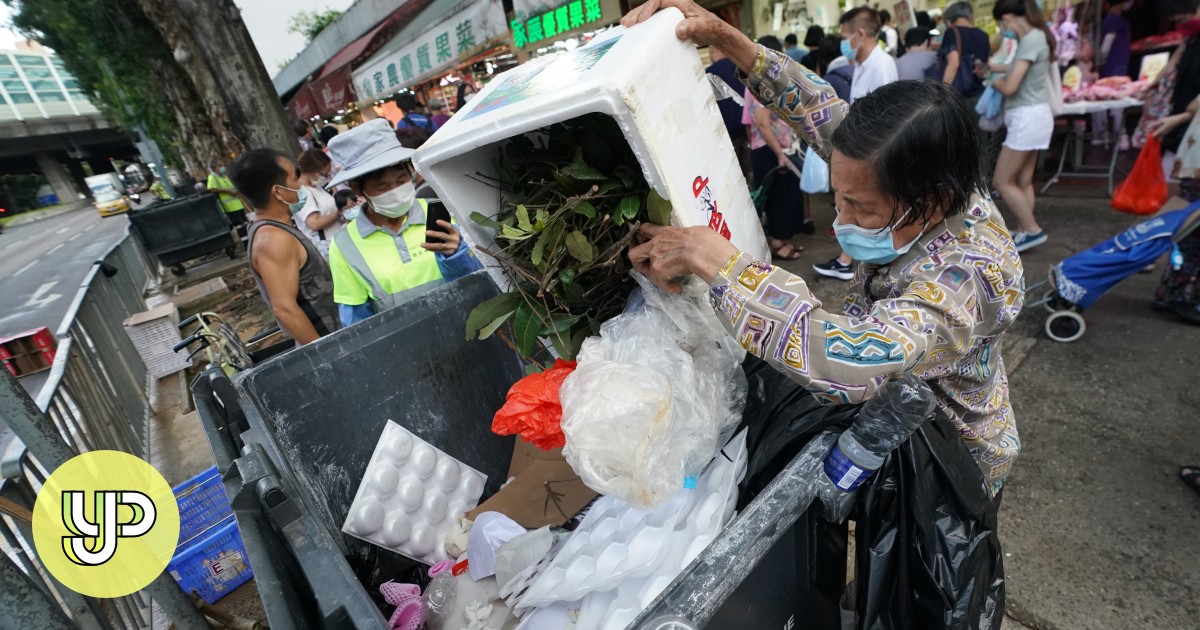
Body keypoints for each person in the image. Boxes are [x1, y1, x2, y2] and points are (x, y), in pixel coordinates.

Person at [622, 0, 1023, 500]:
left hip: (949, 468)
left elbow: (850, 360)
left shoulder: (972, 276)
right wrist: (734, 43)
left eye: (861, 208)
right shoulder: (925, 170)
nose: (841, 222)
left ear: (934, 202)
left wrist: (717, 261)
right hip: (893, 423)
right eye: (837, 199)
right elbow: (824, 115)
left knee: (921, 572)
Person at [325, 119, 483, 326]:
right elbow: (357, 324)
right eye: (382, 187)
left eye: (401, 180)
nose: (395, 191)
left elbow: (481, 281)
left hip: (470, 329)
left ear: (410, 173)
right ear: (357, 189)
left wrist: (456, 256)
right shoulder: (345, 245)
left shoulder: (444, 212)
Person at [814, 6, 898, 281]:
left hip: (873, 154)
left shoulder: (881, 65)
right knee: (851, 208)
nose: (843, 43)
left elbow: (888, 117)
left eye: (844, 36)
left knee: (864, 209)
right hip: (860, 151)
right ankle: (849, 260)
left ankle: (850, 262)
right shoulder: (862, 65)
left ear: (860, 34)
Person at [229, 149, 340, 344]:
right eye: (294, 178)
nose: (300, 184)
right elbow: (284, 309)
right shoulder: (273, 239)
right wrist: (326, 354)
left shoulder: (280, 229)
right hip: (324, 340)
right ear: (278, 192)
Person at [983, 0, 1056, 253]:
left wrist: (991, 80)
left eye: (1001, 23)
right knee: (1023, 181)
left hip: (1027, 118)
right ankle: (1025, 230)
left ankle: (1032, 229)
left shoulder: (1031, 39)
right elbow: (1015, 70)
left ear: (1007, 17)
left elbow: (1010, 86)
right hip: (1033, 117)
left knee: (1002, 181)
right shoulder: (1035, 38)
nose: (1003, 28)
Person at [747, 36, 809, 260]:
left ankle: (783, 239)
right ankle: (777, 243)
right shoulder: (759, 81)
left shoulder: (768, 78)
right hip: (769, 149)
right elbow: (762, 123)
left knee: (785, 195)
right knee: (776, 198)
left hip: (778, 148)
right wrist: (779, 153)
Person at [1092, 0, 1133, 150]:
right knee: (1117, 103)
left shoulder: (1109, 20)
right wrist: (1101, 60)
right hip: (1114, 66)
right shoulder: (1115, 20)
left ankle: (1101, 135)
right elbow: (1107, 44)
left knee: (1102, 102)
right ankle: (1119, 136)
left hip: (1111, 66)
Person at [294, 148, 348, 259]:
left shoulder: (316, 186)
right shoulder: (302, 192)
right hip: (328, 250)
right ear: (311, 170)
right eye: (324, 174)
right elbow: (314, 223)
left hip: (338, 243)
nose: (327, 178)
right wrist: (338, 213)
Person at [706, 46, 750, 179]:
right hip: (748, 123)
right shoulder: (741, 66)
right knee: (748, 166)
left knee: (735, 171)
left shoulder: (710, 72)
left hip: (729, 128)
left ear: (713, 52)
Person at [207, 159, 249, 242]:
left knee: (245, 224)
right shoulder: (212, 177)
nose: (223, 167)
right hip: (229, 207)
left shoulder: (224, 177)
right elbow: (212, 189)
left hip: (237, 204)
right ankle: (246, 243)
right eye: (220, 165)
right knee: (240, 226)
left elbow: (231, 187)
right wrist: (227, 191)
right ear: (214, 168)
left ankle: (251, 241)